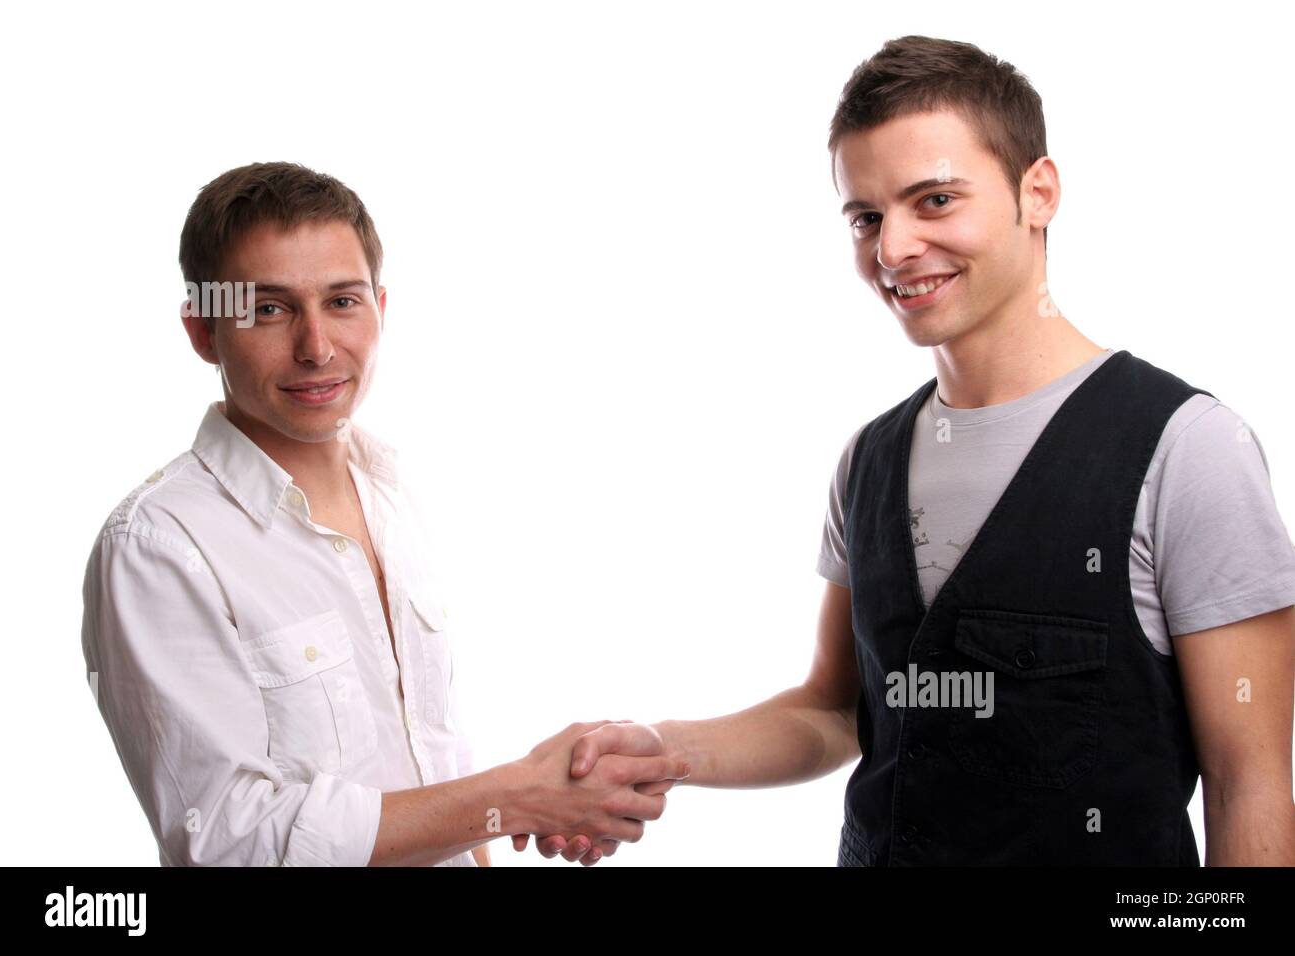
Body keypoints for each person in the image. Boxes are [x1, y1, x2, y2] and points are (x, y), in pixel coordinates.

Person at [514, 35, 1295, 866]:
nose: (892, 251)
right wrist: (661, 749)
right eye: (867, 217)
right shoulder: (869, 461)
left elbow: (1248, 780)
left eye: (934, 201)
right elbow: (836, 711)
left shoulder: (1187, 450)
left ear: (1039, 193)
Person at [80, 162, 686, 866]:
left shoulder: (388, 490)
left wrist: (522, 806)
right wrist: (518, 796)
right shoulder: (159, 545)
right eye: (269, 309)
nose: (316, 347)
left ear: (380, 308)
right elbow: (226, 840)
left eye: (342, 301)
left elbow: (434, 756)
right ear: (203, 330)